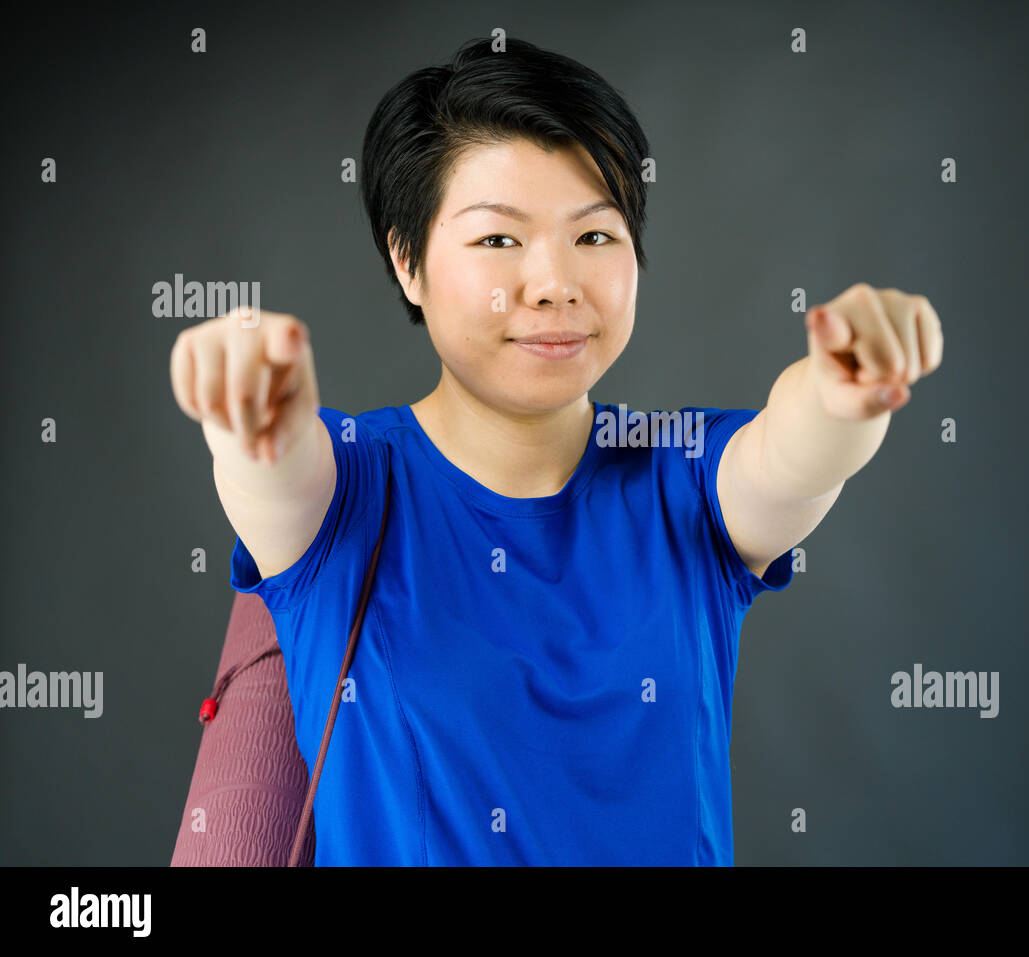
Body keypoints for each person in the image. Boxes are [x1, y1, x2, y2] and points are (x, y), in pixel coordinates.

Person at [168, 36, 942, 865]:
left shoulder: (684, 478)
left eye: (595, 237)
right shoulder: (348, 489)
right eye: (499, 241)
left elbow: (794, 453)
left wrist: (846, 388)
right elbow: (272, 465)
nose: (554, 283)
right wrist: (244, 392)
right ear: (408, 260)